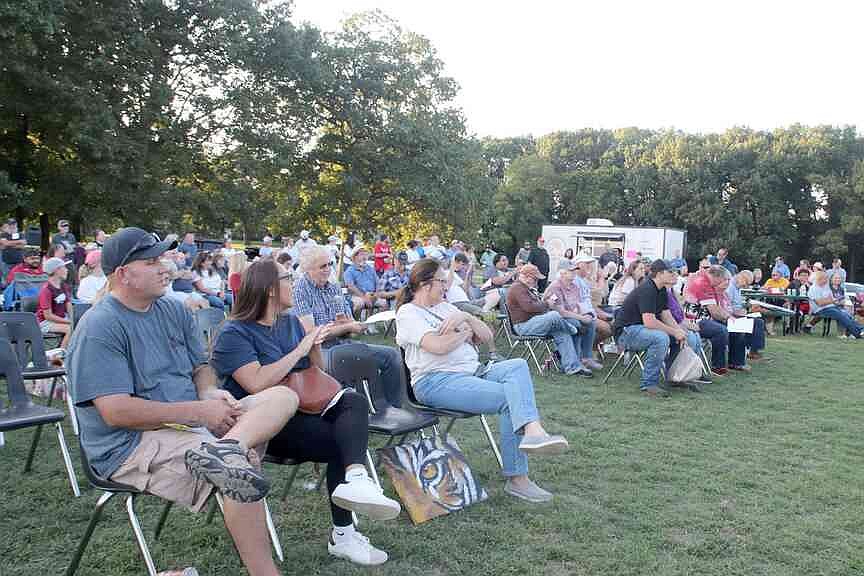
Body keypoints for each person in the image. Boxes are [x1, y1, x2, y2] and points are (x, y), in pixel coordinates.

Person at [67, 227, 298, 576]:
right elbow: (116, 412)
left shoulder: (172, 310)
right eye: (151, 261)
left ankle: (228, 449)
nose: (165, 267)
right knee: (236, 471)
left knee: (282, 396)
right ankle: (265, 571)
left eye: (163, 258)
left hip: (193, 422)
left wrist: (206, 393)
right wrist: (199, 411)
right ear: (123, 275)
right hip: (130, 443)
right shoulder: (100, 326)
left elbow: (201, 366)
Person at [210, 259, 400, 566]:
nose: (294, 284)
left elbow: (316, 375)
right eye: (288, 278)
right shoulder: (234, 333)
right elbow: (257, 382)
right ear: (271, 290)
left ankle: (356, 478)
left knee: (352, 403)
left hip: (304, 408)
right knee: (344, 439)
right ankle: (344, 533)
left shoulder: (290, 322)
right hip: (266, 423)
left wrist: (313, 346)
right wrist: (299, 349)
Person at [395, 258, 569, 503]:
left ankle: (533, 430)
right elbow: (438, 346)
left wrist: (465, 318)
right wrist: (465, 332)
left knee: (517, 366)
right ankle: (518, 479)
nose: (446, 287)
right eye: (442, 282)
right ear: (425, 284)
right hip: (435, 381)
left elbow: (487, 336)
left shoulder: (446, 308)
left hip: (472, 371)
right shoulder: (408, 313)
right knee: (510, 398)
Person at [293, 245, 405, 407]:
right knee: (349, 356)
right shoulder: (300, 290)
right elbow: (312, 334)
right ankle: (365, 407)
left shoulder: (333, 287)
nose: (328, 269)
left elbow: (347, 324)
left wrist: (354, 326)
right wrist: (346, 328)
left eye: (330, 264)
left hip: (343, 343)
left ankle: (392, 408)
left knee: (392, 355)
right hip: (318, 352)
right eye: (322, 266)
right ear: (308, 268)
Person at [614, 260, 704, 395]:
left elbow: (666, 315)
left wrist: (678, 331)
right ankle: (649, 384)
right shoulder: (647, 289)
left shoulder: (661, 289)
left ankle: (676, 377)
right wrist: (674, 331)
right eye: (671, 272)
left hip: (642, 330)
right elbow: (649, 321)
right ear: (660, 274)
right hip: (626, 333)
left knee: (686, 335)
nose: (675, 275)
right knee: (660, 338)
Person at [506, 263, 591, 377]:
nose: (537, 282)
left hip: (534, 322)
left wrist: (543, 304)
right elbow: (529, 307)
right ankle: (573, 330)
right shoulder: (517, 288)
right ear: (527, 277)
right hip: (523, 326)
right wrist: (547, 303)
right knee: (554, 315)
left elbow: (535, 306)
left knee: (561, 332)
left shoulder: (525, 288)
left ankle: (572, 367)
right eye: (535, 279)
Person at [684, 265, 746, 374]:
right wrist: (729, 317)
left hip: (707, 318)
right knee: (721, 330)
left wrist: (730, 318)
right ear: (717, 277)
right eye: (725, 280)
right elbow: (714, 310)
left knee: (738, 327)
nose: (727, 283)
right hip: (696, 320)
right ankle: (717, 366)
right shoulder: (702, 283)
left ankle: (736, 362)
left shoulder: (708, 281)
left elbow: (717, 309)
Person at [543, 261, 603, 371]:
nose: (574, 272)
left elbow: (577, 305)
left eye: (575, 270)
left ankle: (587, 358)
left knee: (591, 322)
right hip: (556, 320)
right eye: (571, 270)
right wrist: (581, 318)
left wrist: (586, 314)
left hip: (572, 316)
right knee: (577, 324)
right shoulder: (555, 287)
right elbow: (561, 312)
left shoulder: (575, 286)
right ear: (562, 273)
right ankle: (576, 360)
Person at [571, 254, 615, 345]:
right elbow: (583, 304)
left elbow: (600, 296)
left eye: (590, 263)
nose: (589, 266)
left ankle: (588, 349)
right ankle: (588, 348)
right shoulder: (575, 280)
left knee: (612, 324)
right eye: (586, 263)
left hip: (590, 311)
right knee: (606, 328)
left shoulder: (583, 280)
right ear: (578, 265)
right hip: (578, 314)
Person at [727, 270, 768, 362]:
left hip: (738, 314)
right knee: (757, 323)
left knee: (758, 320)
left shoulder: (736, 287)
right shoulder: (730, 287)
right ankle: (752, 352)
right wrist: (742, 312)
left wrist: (748, 308)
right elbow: (727, 307)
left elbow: (736, 304)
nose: (745, 286)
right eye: (746, 283)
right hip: (732, 317)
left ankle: (753, 350)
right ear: (741, 277)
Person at [809, 270, 863, 339]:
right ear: (817, 279)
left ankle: (857, 331)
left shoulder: (826, 288)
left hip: (830, 307)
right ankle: (858, 333)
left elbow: (830, 299)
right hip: (820, 309)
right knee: (840, 315)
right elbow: (820, 303)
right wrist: (831, 301)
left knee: (846, 314)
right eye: (823, 278)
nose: (825, 280)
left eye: (826, 278)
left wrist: (831, 301)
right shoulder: (813, 289)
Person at [36, 257, 73, 347]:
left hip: (61, 318)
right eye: (64, 267)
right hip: (45, 322)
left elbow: (68, 305)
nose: (67, 270)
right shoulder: (46, 290)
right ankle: (61, 355)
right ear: (57, 270)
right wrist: (69, 322)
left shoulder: (63, 286)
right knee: (70, 329)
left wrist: (72, 319)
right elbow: (48, 316)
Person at [343, 247, 385, 317]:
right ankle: (356, 323)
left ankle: (375, 323)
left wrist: (376, 294)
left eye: (366, 254)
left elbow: (378, 282)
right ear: (355, 257)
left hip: (372, 294)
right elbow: (350, 286)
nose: (365, 257)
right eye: (362, 254)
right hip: (357, 296)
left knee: (384, 303)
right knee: (359, 304)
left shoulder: (370, 268)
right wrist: (364, 297)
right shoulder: (349, 271)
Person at [0, 218, 26, 285]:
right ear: (7, 225)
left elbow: (23, 245)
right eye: (10, 224)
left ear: (16, 224)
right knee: (8, 280)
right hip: (6, 262)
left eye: (14, 224)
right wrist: (18, 242)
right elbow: (5, 244)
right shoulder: (3, 234)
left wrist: (8, 244)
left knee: (19, 280)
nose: (12, 226)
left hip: (19, 261)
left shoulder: (20, 234)